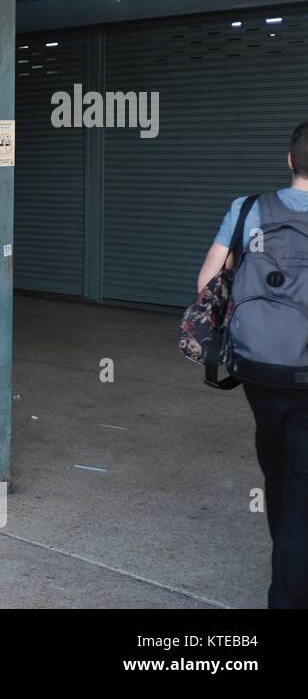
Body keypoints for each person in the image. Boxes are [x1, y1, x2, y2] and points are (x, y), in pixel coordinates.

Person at [198, 120, 308, 608]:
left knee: (278, 471)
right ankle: (287, 593)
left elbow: (206, 286)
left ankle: (288, 564)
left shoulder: (246, 209)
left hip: (257, 370)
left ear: (290, 161)